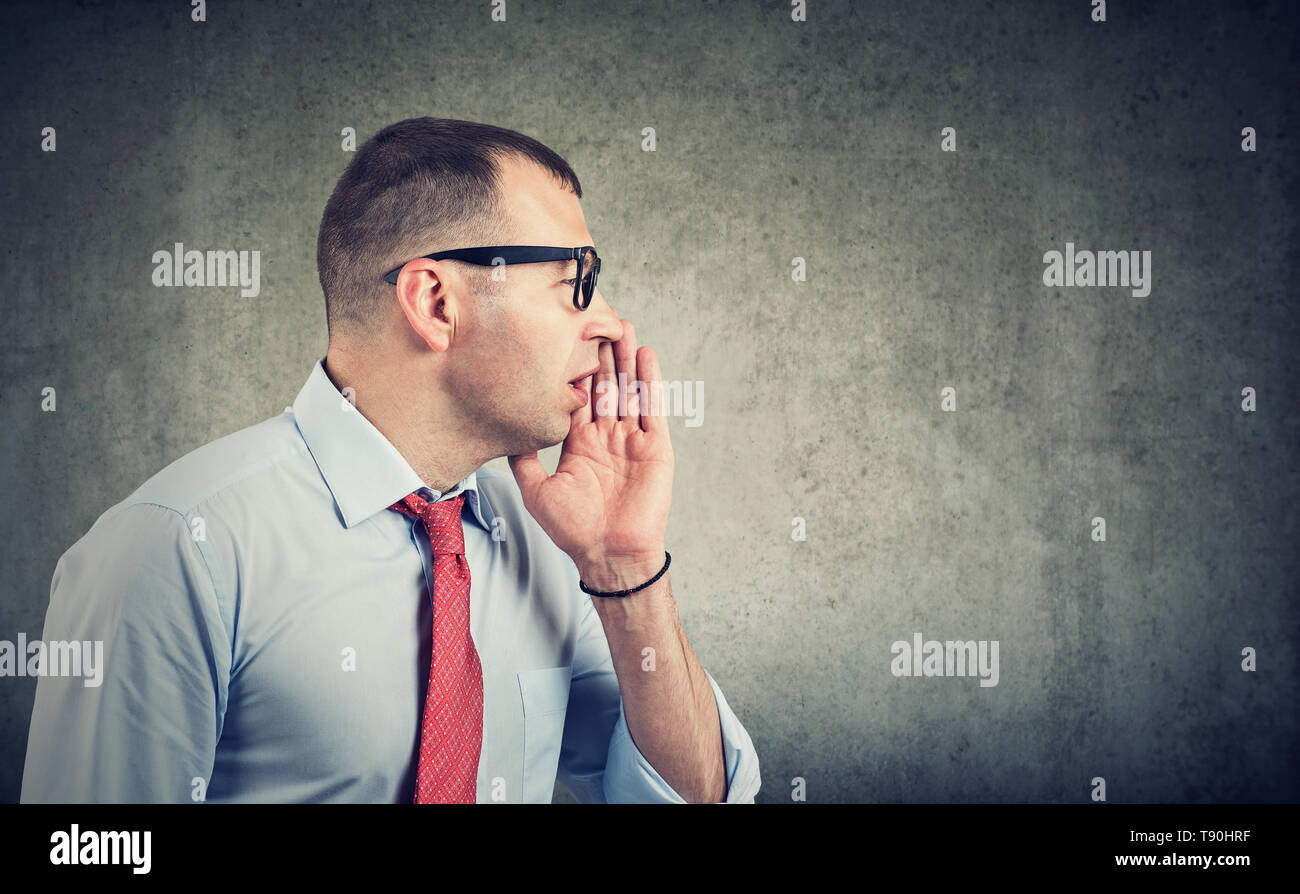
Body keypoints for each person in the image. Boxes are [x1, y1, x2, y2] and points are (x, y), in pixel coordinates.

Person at [20, 116, 761, 803]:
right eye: (576, 283)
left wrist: (625, 568)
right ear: (435, 301)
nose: (611, 322)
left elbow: (702, 799)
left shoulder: (549, 541)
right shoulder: (176, 547)